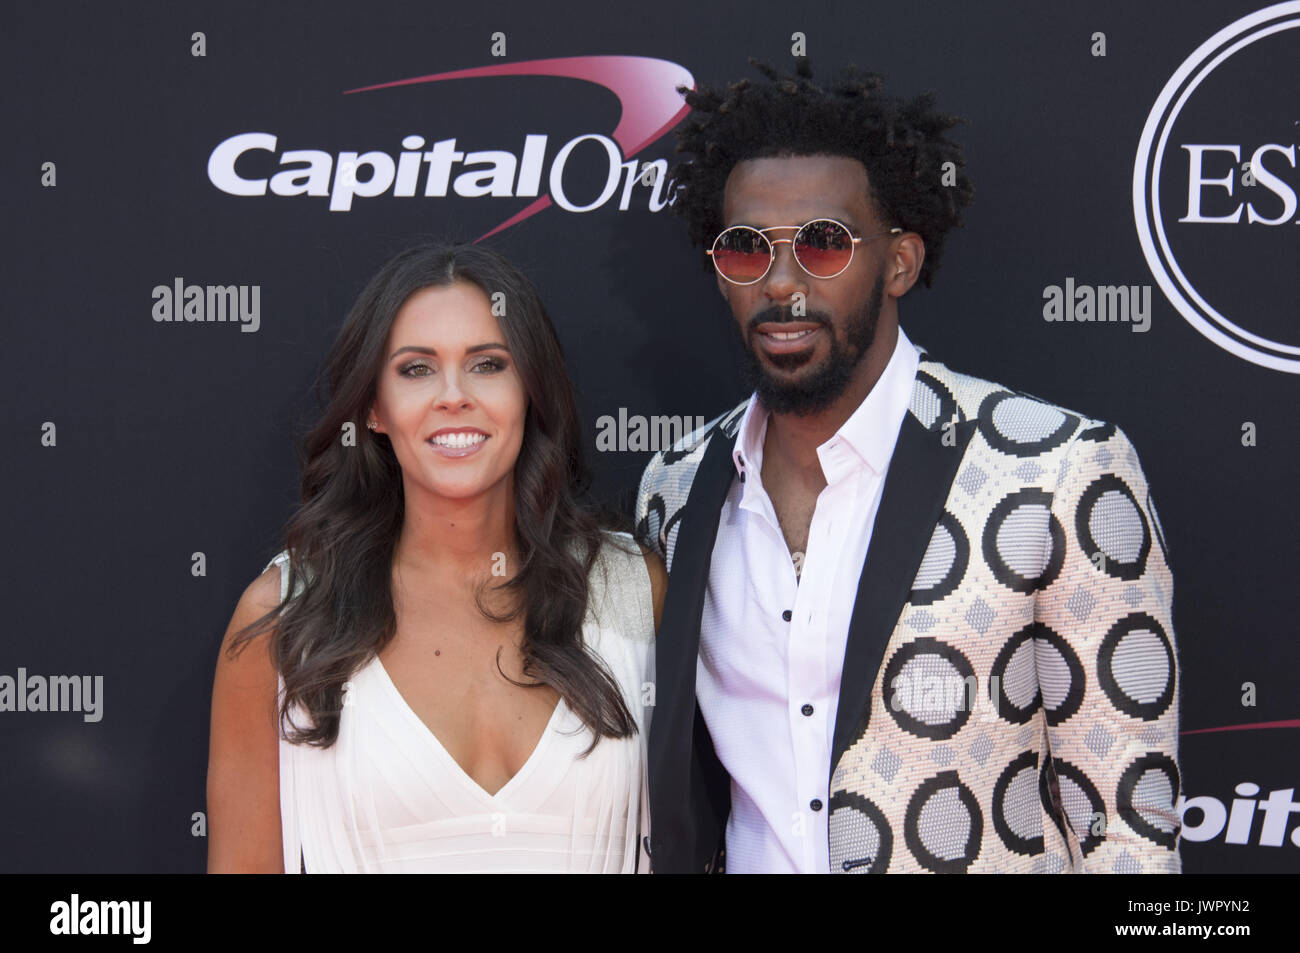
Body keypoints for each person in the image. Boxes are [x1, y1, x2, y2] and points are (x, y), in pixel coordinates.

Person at [636, 58, 1182, 873]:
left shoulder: (1056, 472)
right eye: (746, 249)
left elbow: (1127, 830)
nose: (782, 283)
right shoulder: (674, 491)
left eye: (822, 244)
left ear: (899, 262)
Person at [207, 241, 665, 872]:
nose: (454, 395)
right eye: (417, 369)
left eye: (487, 364)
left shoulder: (634, 590)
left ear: (529, 389)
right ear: (373, 408)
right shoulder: (285, 620)